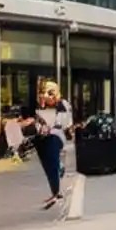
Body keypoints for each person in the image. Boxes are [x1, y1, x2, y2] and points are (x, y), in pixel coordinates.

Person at [18, 81, 73, 210]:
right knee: (47, 164)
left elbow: (64, 122)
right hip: (41, 137)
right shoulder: (38, 106)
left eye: (49, 92)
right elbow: (31, 121)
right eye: (43, 92)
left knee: (51, 157)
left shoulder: (62, 104)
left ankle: (57, 188)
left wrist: (49, 126)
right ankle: (55, 190)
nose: (46, 95)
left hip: (55, 135)